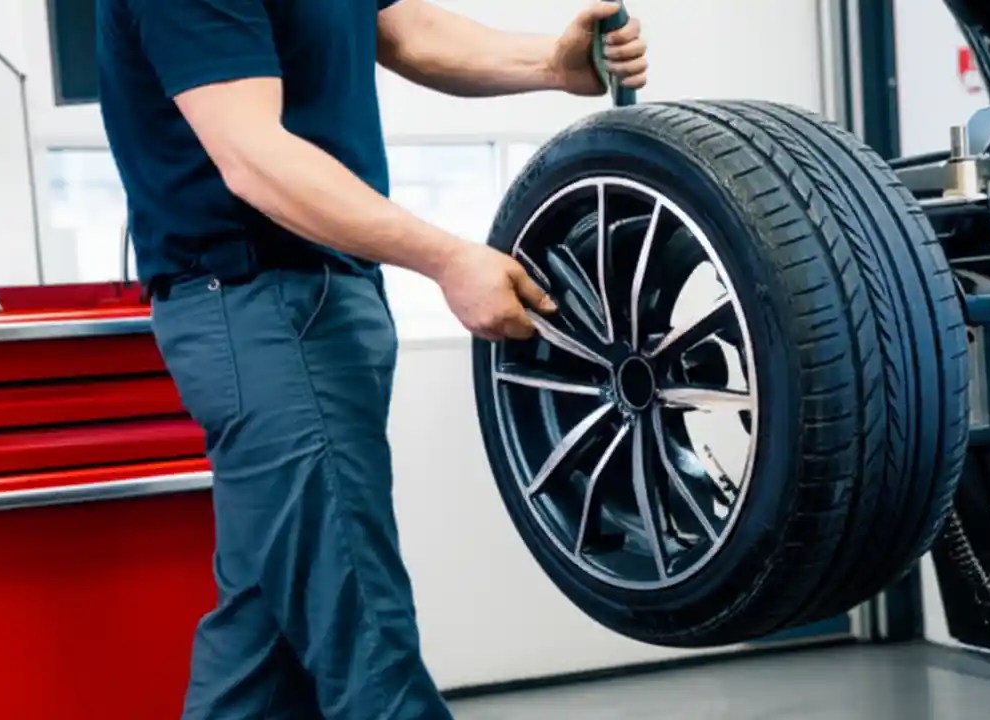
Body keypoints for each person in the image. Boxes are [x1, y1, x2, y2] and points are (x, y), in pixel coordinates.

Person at [96, 0, 647, 717]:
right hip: (261, 302)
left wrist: (550, 63)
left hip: (324, 295)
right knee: (362, 629)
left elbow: (406, 28)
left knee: (261, 648)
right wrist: (447, 258)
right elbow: (254, 159)